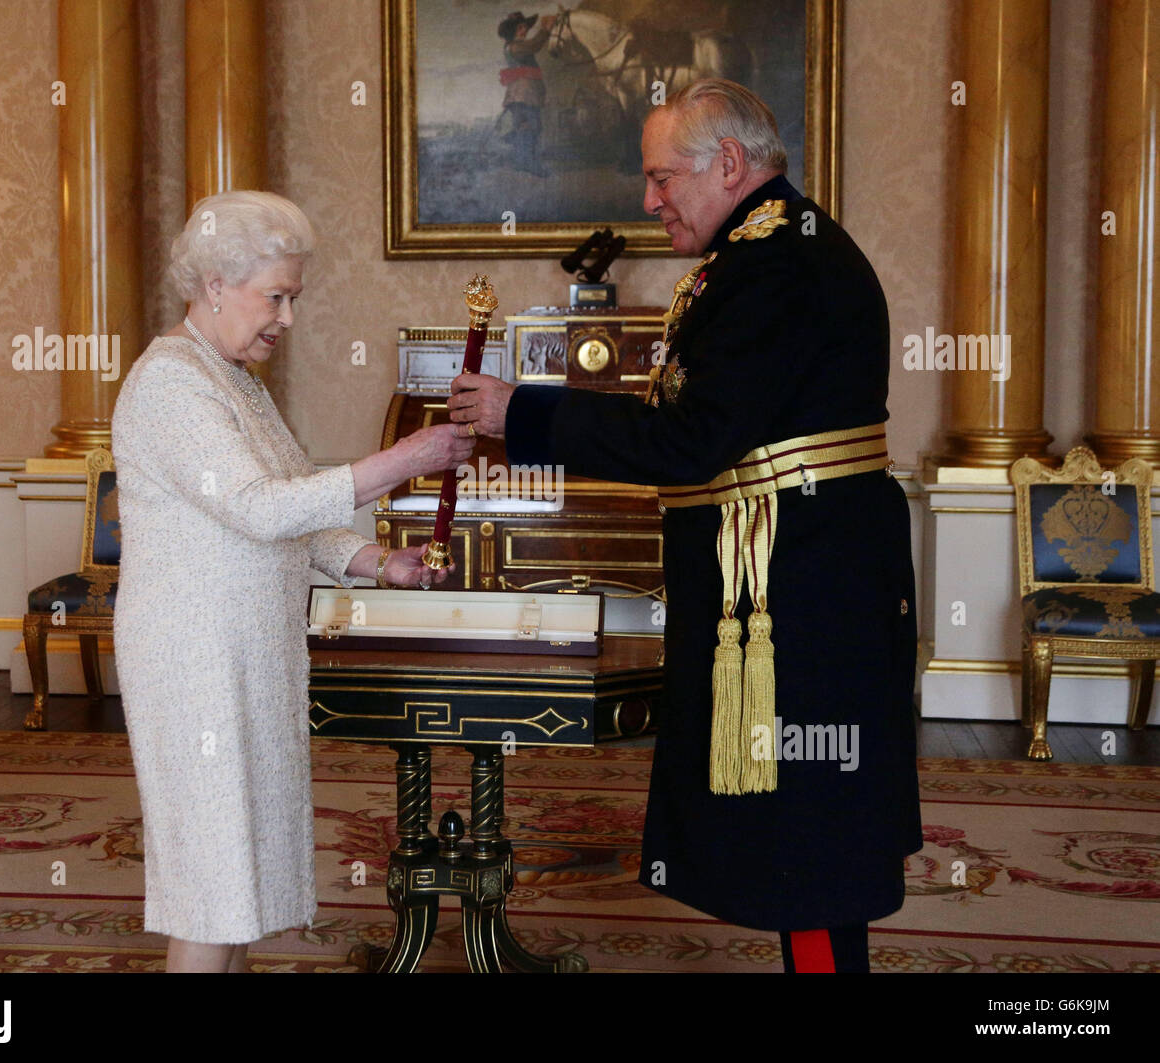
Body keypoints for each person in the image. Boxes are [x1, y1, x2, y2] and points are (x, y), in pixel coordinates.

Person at [448, 79, 922, 973]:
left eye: (663, 177)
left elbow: (690, 440)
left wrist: (524, 411)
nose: (648, 199)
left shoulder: (775, 260)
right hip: (800, 574)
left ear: (729, 164)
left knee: (811, 839)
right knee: (801, 830)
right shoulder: (762, 248)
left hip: (800, 591)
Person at [111, 190, 473, 973]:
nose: (287, 317)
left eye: (293, 297)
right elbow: (256, 508)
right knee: (210, 885)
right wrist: (404, 461)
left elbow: (293, 500)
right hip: (194, 663)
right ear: (213, 283)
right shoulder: (172, 383)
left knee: (235, 883)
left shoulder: (236, 379)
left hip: (247, 653)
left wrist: (380, 563)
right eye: (275, 296)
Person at [496, 11, 556, 177]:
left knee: (526, 126)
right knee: (530, 126)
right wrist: (546, 29)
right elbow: (535, 45)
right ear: (513, 30)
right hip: (524, 93)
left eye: (525, 27)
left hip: (522, 93)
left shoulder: (514, 46)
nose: (524, 30)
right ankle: (528, 163)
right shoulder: (515, 47)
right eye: (521, 27)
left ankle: (524, 162)